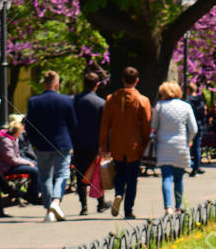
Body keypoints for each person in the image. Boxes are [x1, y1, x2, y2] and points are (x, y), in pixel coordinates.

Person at [99, 67, 152, 219]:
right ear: (137, 81)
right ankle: (128, 209)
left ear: (122, 79)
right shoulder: (143, 100)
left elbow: (105, 124)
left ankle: (118, 194)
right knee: (132, 178)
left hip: (116, 143)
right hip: (134, 145)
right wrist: (144, 142)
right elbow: (146, 125)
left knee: (119, 174)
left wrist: (103, 144)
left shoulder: (111, 99)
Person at [25, 70, 76, 222]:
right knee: (62, 174)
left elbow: (29, 126)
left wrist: (34, 143)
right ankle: (56, 201)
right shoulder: (66, 100)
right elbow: (73, 124)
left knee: (45, 176)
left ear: (43, 84)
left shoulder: (34, 101)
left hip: (42, 145)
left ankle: (49, 211)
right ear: (57, 84)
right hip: (62, 144)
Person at [150, 82, 197, 212]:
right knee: (179, 178)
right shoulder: (186, 106)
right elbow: (194, 129)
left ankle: (167, 207)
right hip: (181, 144)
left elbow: (153, 126)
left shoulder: (160, 106)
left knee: (166, 177)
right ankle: (178, 206)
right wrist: (189, 140)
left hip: (164, 145)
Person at [73, 71, 108, 215]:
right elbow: (104, 126)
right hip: (95, 143)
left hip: (78, 142)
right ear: (97, 85)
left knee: (80, 173)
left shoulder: (73, 101)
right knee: (96, 174)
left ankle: (84, 206)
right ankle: (100, 203)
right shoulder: (101, 103)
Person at [0, 120, 42, 204]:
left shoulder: (12, 139)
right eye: (20, 132)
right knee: (34, 170)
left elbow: (15, 158)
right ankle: (34, 196)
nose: (21, 134)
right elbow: (12, 160)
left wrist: (29, 162)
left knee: (36, 168)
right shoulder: (6, 142)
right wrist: (28, 163)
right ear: (16, 132)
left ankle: (32, 194)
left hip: (10, 165)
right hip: (6, 168)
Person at [188, 89, 206, 176]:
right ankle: (196, 167)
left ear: (188, 90)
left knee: (185, 146)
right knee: (197, 147)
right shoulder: (201, 102)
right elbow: (203, 115)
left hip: (189, 125)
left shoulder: (188, 101)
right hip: (199, 125)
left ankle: (192, 164)